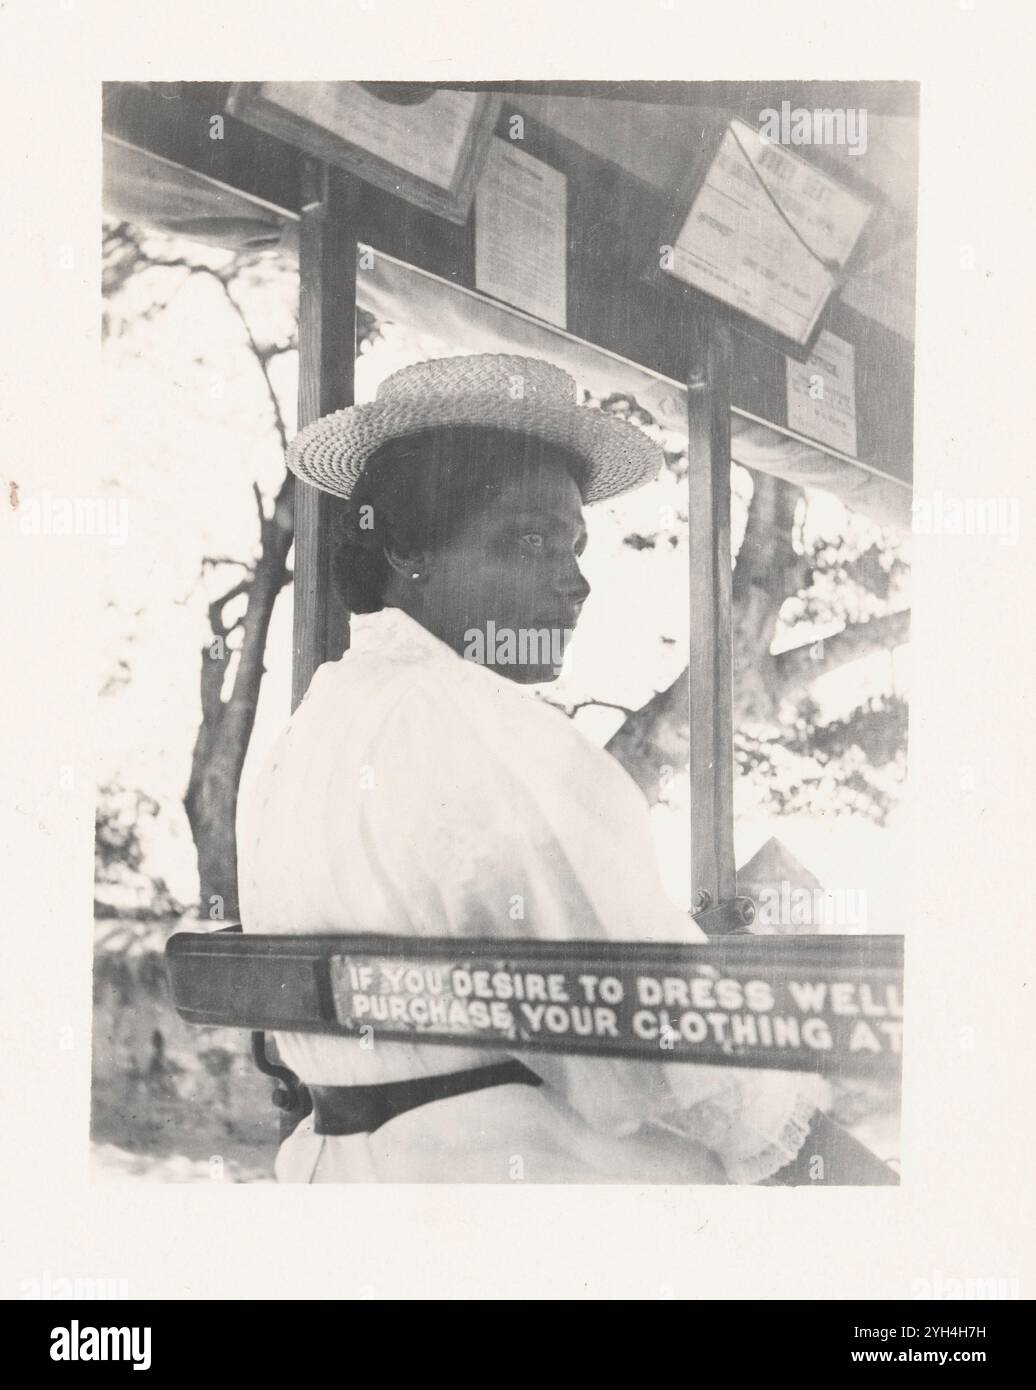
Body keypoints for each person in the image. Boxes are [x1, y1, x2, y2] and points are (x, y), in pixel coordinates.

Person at [237, 352, 834, 1184]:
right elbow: (676, 1044)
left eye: (576, 545)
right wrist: (811, 1129)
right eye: (531, 539)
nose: (577, 581)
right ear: (409, 546)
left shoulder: (314, 727)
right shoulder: (474, 723)